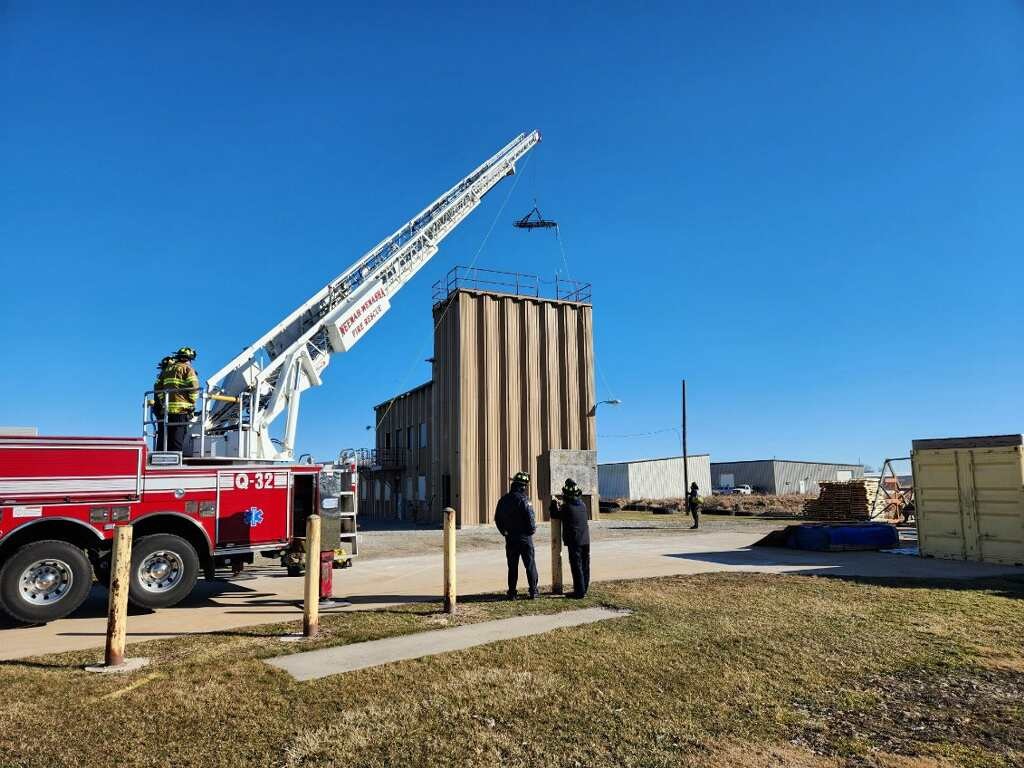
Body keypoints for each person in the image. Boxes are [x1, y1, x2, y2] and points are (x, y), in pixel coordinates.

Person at [494, 471, 538, 599]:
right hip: (525, 538)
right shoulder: (525, 500)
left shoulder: (503, 500)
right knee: (530, 565)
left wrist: (504, 532)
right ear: (523, 486)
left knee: (512, 566)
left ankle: (512, 592)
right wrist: (531, 531)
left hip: (510, 538)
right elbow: (530, 520)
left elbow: (497, 519)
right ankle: (533, 591)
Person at [549, 478, 591, 598]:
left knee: (576, 566)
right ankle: (584, 589)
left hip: (575, 542)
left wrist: (553, 505)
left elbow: (555, 514)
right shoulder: (582, 505)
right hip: (585, 540)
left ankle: (579, 592)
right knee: (585, 565)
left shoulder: (567, 508)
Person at [154, 346, 199, 454]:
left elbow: (157, 386)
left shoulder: (167, 369)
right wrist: (192, 402)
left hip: (167, 410)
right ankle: (173, 460)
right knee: (177, 439)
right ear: (189, 359)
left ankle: (160, 458)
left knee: (164, 437)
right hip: (181, 411)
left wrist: (163, 399)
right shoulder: (188, 369)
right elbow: (194, 387)